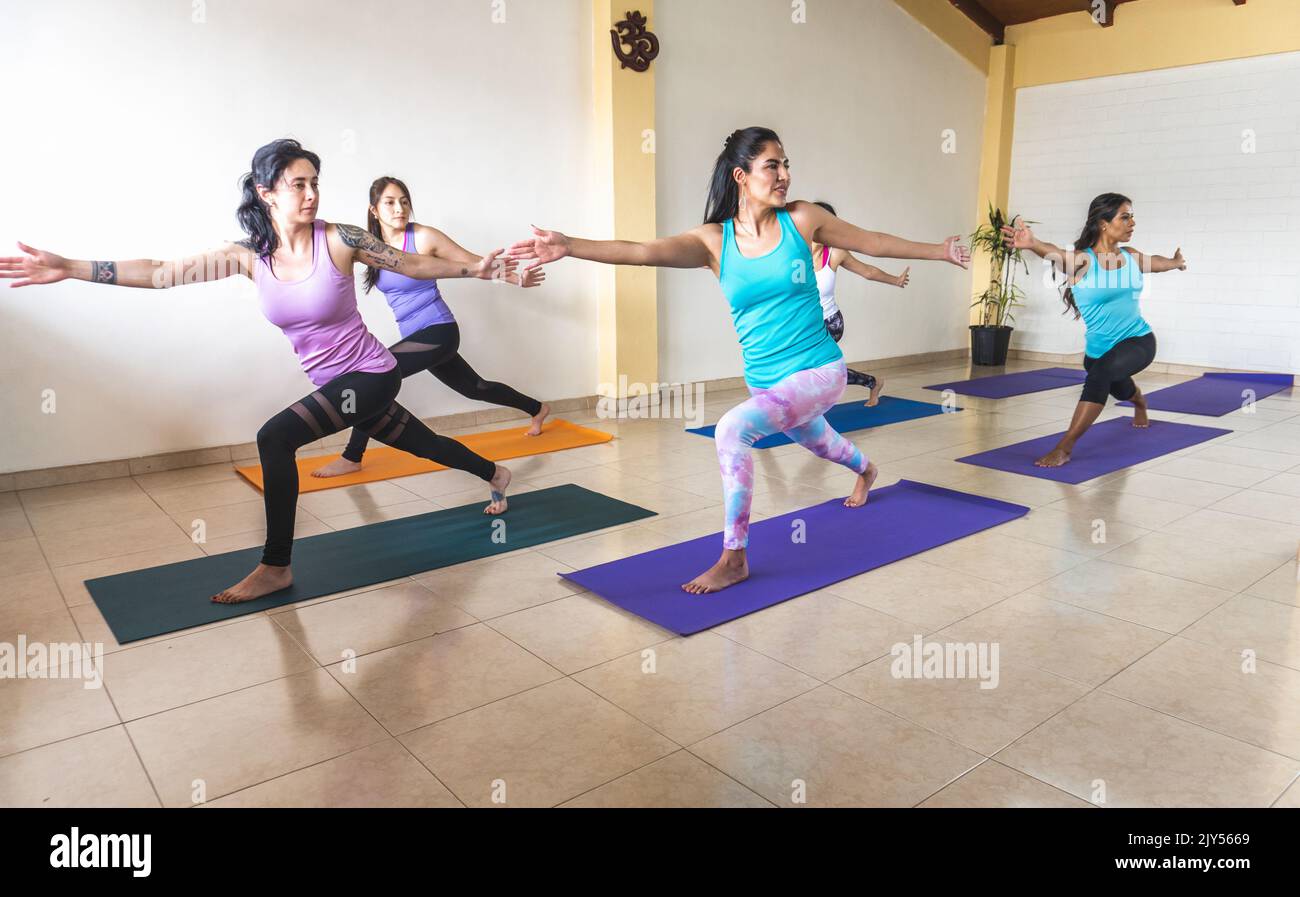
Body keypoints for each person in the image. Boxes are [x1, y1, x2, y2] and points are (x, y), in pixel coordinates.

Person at [0, 139, 518, 603]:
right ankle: (495, 474)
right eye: (299, 184)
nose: (311, 194)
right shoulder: (249, 257)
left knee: (274, 438)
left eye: (315, 183)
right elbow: (160, 273)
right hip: (338, 384)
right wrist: (71, 268)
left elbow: (411, 265)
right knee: (422, 443)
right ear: (266, 192)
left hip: (371, 372)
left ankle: (276, 566)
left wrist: (473, 267)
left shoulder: (341, 239)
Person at [508, 126, 970, 594]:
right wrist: (570, 245)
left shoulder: (803, 219)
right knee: (819, 442)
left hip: (819, 370)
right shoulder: (714, 241)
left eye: (786, 164)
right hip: (765, 382)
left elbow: (872, 241)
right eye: (773, 165)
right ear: (741, 176)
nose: (785, 174)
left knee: (732, 430)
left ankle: (734, 558)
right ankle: (866, 470)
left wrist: (940, 251)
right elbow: (641, 252)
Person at [313, 176, 550, 478]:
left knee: (370, 380)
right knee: (475, 388)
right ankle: (537, 409)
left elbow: (476, 263)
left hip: (439, 331)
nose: (399, 208)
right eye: (389, 202)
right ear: (374, 210)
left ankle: (352, 456)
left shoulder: (423, 237)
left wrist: (515, 277)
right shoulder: (371, 247)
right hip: (416, 337)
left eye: (404, 201)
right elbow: (335, 255)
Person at [1003, 193, 1186, 468]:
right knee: (1117, 385)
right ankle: (1139, 402)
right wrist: (1032, 244)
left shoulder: (1131, 256)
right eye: (1125, 216)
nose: (1132, 222)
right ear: (1103, 223)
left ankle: (1064, 447)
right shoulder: (1082, 261)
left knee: (1101, 375)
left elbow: (1156, 263)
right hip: (1099, 350)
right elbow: (1055, 253)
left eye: (1132, 216)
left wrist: (1174, 263)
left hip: (1139, 340)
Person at [810, 200, 910, 407]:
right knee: (818, 369)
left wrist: (896, 280)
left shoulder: (836, 253)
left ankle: (810, 412)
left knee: (810, 367)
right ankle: (873, 383)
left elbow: (868, 272)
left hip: (830, 323)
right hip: (805, 324)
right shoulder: (794, 253)